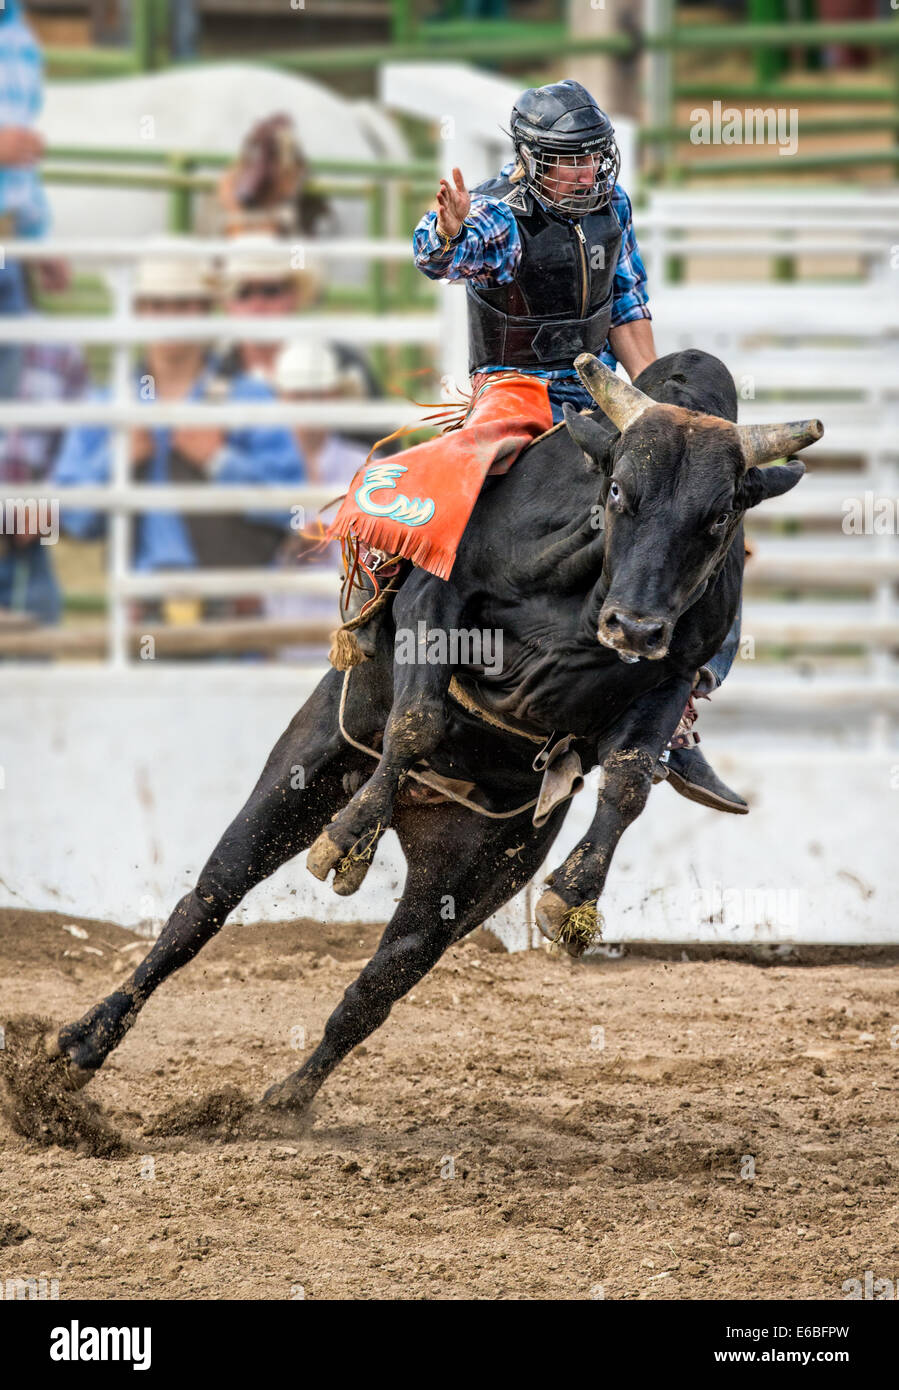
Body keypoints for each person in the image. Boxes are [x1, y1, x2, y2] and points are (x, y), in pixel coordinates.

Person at [362, 80, 744, 813]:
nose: (586, 173)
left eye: (594, 158)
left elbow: (626, 301)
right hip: (518, 388)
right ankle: (389, 591)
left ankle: (675, 711)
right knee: (463, 480)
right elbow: (447, 254)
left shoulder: (613, 206)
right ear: (531, 160)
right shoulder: (499, 217)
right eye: (569, 161)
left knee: (704, 521)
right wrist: (445, 233)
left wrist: (655, 412)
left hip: (604, 392)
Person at [52, 250, 305, 638]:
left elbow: (297, 511)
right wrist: (116, 461)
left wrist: (221, 461)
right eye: (157, 305)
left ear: (205, 311)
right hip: (142, 614)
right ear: (139, 312)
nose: (169, 316)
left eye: (183, 304)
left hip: (235, 620)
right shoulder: (107, 408)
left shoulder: (251, 401)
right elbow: (73, 519)